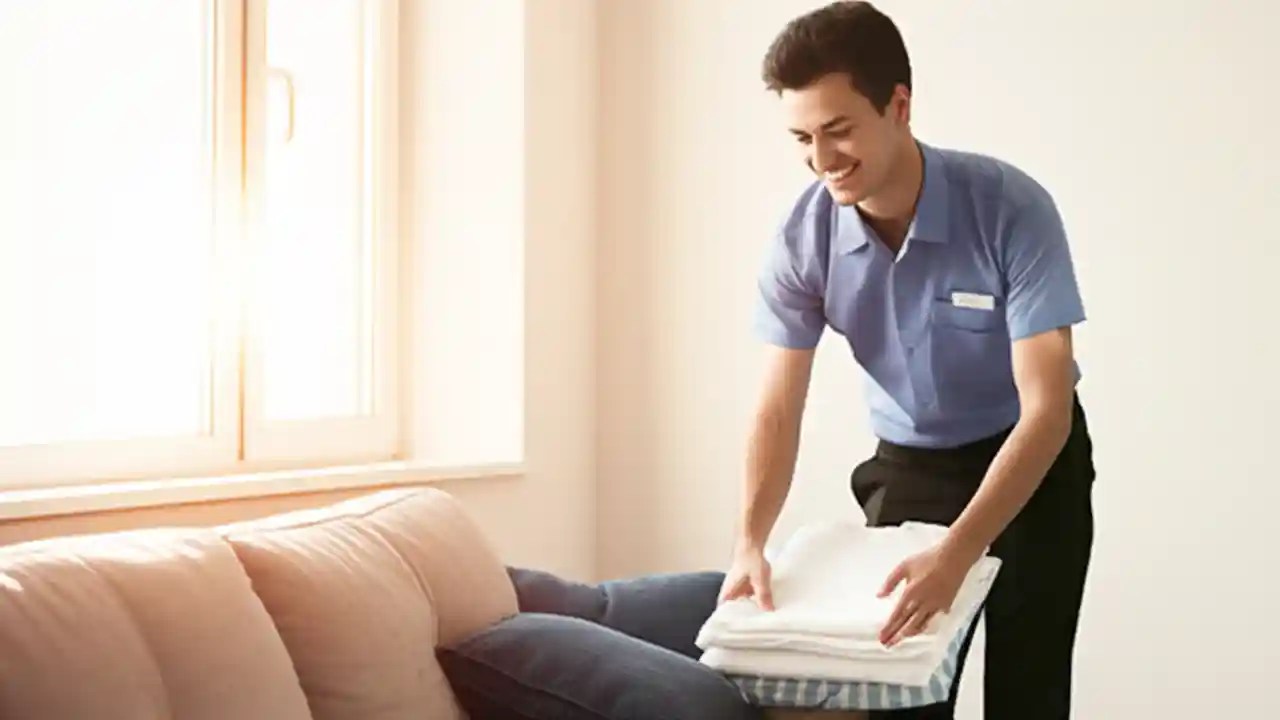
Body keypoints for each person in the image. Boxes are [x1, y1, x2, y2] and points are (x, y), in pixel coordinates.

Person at [716, 2, 1096, 718]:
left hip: (1032, 462)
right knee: (897, 693)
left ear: (899, 105)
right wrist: (749, 542)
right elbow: (777, 405)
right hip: (912, 465)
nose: (821, 161)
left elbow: (1046, 412)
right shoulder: (803, 238)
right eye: (802, 137)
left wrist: (958, 555)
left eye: (838, 131)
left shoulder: (1011, 209)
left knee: (1030, 692)